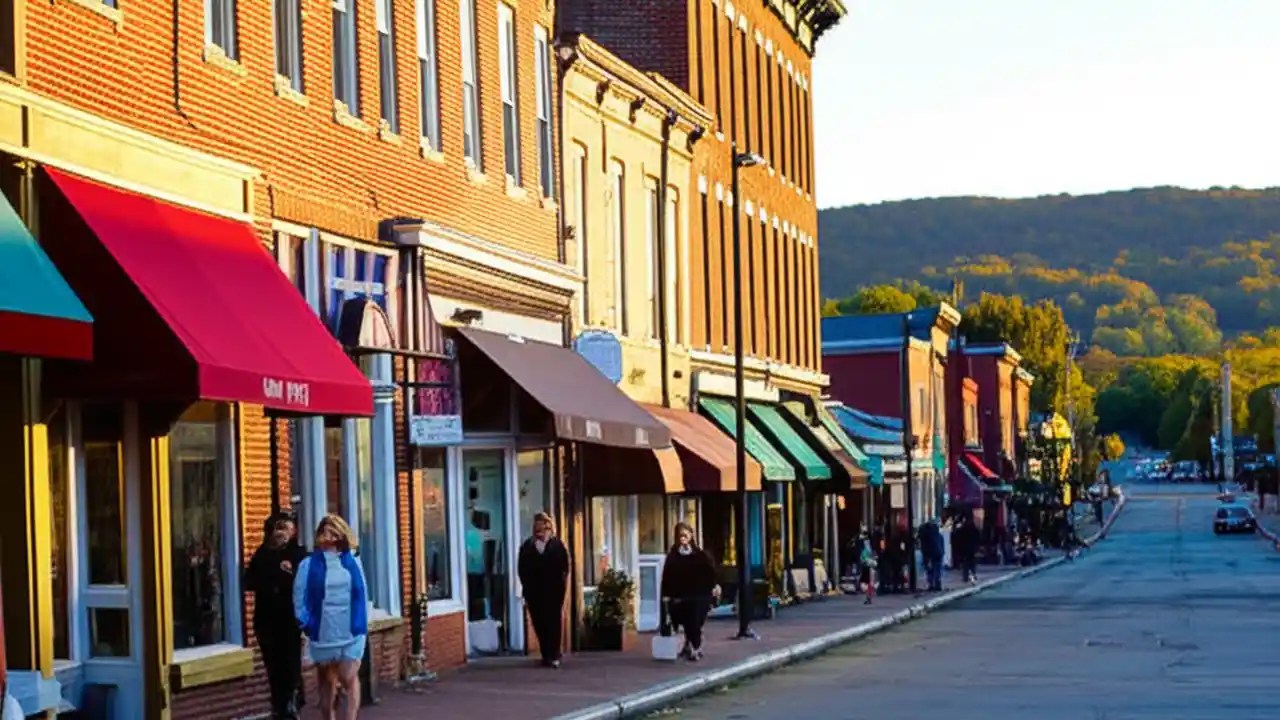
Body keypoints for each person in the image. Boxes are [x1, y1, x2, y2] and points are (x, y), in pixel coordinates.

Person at [294, 515, 368, 720]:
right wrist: (304, 622)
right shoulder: (308, 565)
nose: (328, 536)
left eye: (333, 531)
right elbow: (300, 595)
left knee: (349, 675)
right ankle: (328, 716)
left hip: (350, 625)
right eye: (324, 531)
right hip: (323, 625)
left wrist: (362, 622)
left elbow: (361, 593)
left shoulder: (352, 562)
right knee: (327, 679)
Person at [246, 511, 308, 719]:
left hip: (290, 618)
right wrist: (271, 555)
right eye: (278, 528)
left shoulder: (298, 553)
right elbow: (250, 581)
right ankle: (279, 705)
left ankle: (292, 702)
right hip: (266, 619)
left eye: (286, 527)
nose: (282, 532)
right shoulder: (263, 554)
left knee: (290, 662)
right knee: (273, 665)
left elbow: (302, 582)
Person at [517, 512, 570, 668]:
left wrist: (561, 587)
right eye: (538, 528)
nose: (541, 531)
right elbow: (522, 569)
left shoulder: (557, 546)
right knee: (539, 623)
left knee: (553, 622)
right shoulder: (527, 547)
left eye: (544, 528)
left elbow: (564, 568)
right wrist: (526, 587)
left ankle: (554, 654)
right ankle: (545, 654)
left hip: (553, 592)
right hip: (534, 593)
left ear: (549, 528)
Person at [660, 522, 720, 661]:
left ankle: (695, 647)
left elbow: (709, 573)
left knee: (695, 622)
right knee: (684, 622)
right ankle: (689, 645)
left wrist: (714, 587)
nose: (683, 538)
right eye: (680, 535)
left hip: (699, 595)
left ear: (691, 535)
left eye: (685, 534)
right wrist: (666, 595)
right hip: (680, 596)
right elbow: (667, 576)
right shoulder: (673, 556)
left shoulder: (700, 555)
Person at [918, 518, 945, 592]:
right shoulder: (937, 534)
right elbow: (941, 544)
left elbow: (924, 546)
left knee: (930, 570)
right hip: (938, 553)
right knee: (937, 569)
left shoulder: (925, 536)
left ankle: (931, 584)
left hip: (929, 554)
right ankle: (937, 584)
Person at [953, 515, 980, 585]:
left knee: (966, 564)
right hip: (972, 549)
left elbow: (957, 538)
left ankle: (966, 577)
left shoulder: (962, 529)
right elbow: (978, 538)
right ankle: (973, 576)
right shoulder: (974, 529)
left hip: (964, 549)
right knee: (972, 564)